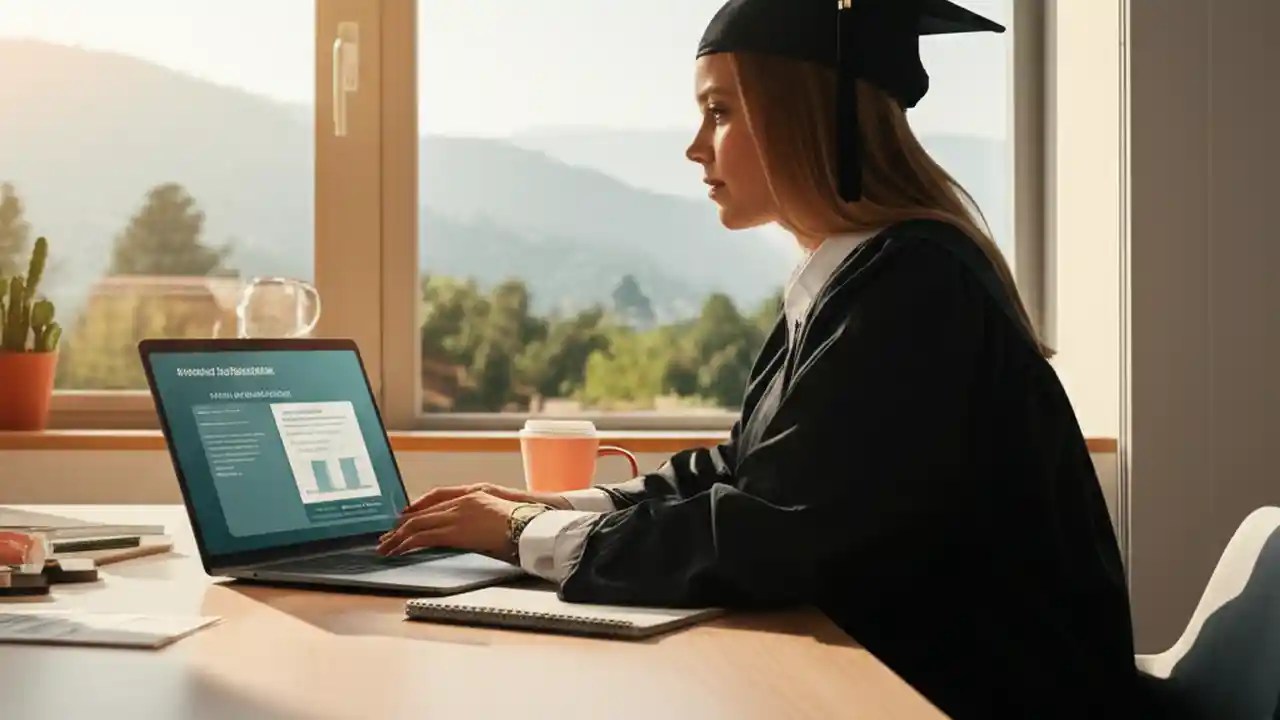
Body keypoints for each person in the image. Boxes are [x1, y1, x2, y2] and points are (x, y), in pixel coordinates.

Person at [378, 0, 1142, 716]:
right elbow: (744, 470)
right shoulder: (855, 279)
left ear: (802, 117)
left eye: (720, 111)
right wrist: (552, 508)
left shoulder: (916, 291)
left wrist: (518, 536)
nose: (694, 146)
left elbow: (774, 538)